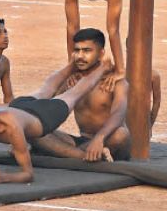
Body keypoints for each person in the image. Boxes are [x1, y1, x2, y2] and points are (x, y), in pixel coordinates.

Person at [0, 63, 114, 184]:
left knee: (74, 93)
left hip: (43, 116)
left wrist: (5, 177)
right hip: (19, 106)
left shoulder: (10, 126)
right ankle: (72, 64)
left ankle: (104, 67)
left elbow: (28, 174)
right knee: (46, 88)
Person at [32, 29, 132, 162]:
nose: (80, 56)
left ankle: (68, 153)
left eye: (86, 51)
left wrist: (99, 138)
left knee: (121, 134)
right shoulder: (72, 79)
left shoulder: (115, 81)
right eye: (77, 50)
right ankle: (83, 155)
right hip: (81, 140)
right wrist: (64, 88)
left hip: (108, 138)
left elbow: (118, 114)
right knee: (34, 131)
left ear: (101, 53)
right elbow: (48, 110)